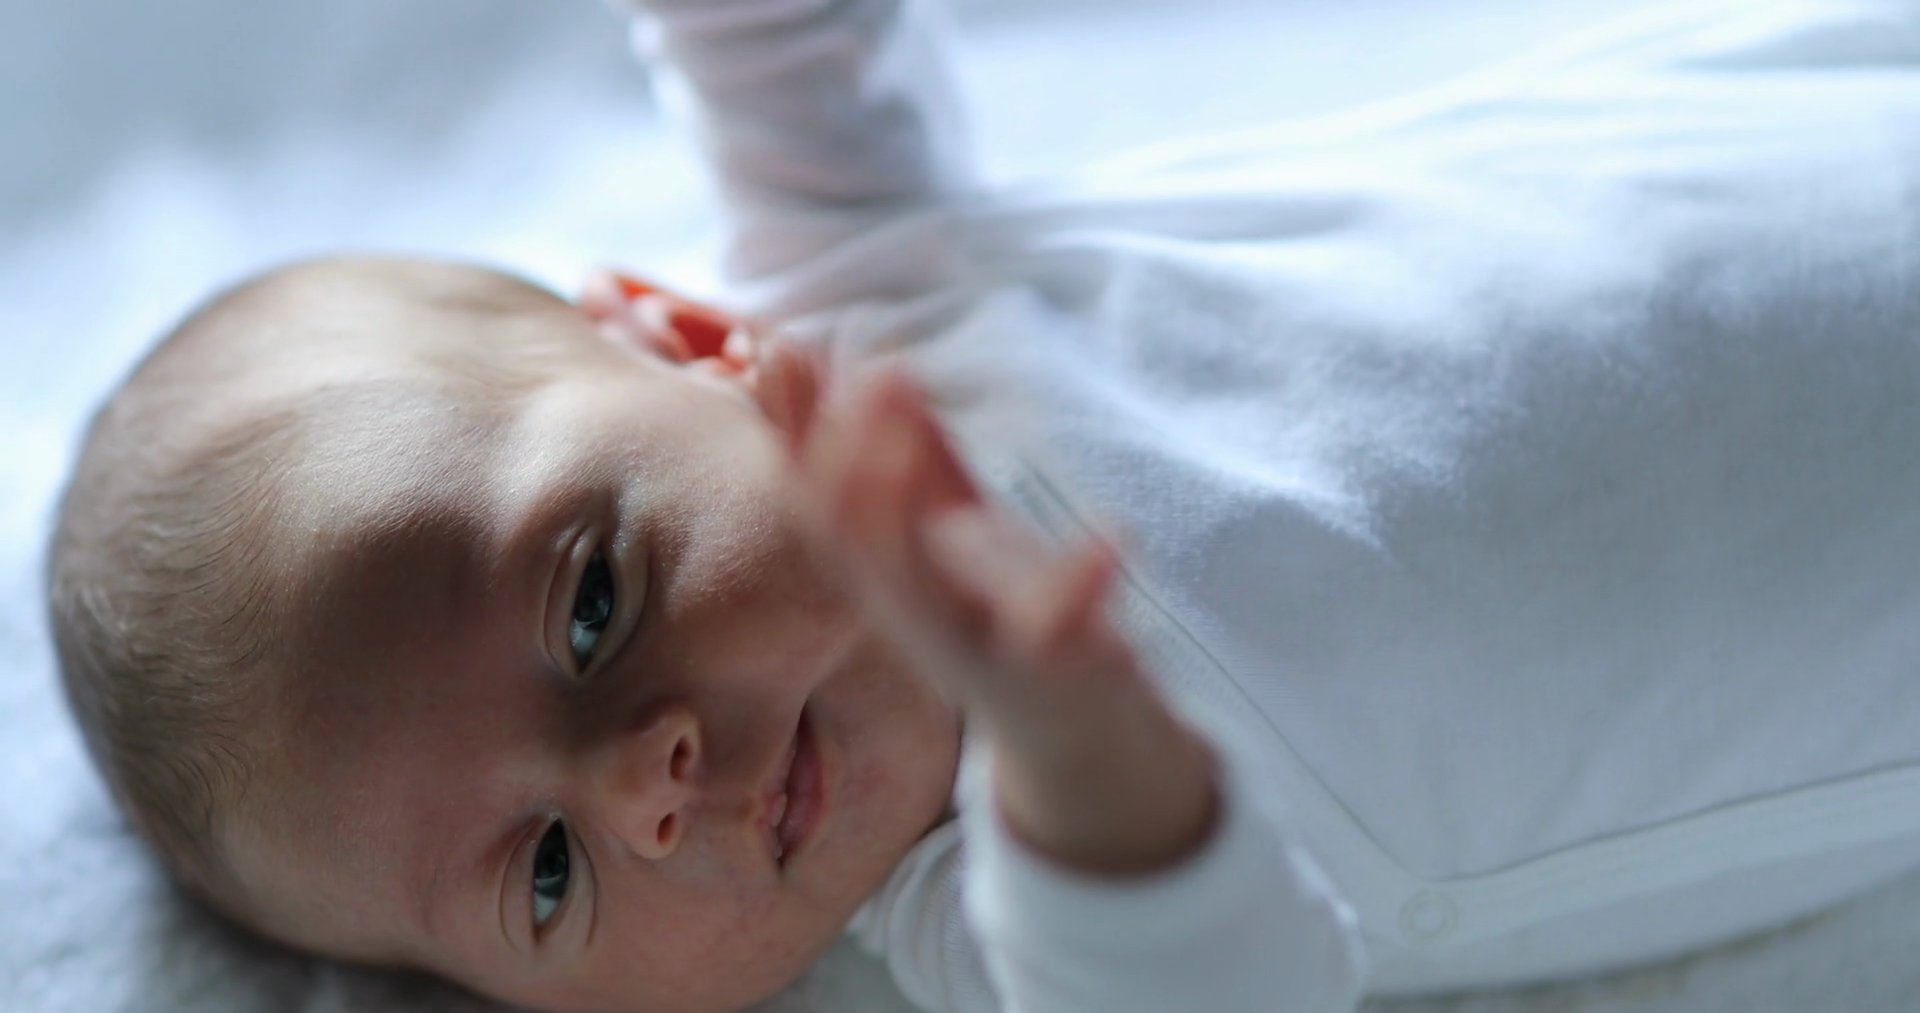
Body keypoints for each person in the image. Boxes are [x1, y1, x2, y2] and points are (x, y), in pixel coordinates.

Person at [44, 0, 1920, 1011]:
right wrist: (1067, 740)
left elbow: (774, 33)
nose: (645, 780)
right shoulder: (999, 916)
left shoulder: (862, 271)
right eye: (547, 877)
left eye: (592, 604)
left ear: (686, 334)